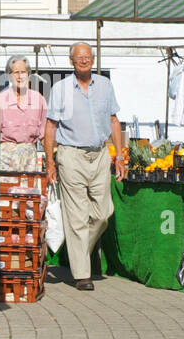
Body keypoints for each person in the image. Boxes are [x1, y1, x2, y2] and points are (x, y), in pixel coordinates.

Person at [43, 42, 126, 291]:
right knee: (77, 215)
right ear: (71, 61)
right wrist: (50, 162)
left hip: (99, 154)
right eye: (79, 57)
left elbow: (113, 120)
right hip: (70, 155)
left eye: (87, 57)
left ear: (92, 59)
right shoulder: (61, 89)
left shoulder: (105, 86)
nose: (84, 60)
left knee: (103, 214)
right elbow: (51, 126)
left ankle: (76, 251)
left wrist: (119, 155)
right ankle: (82, 275)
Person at [0, 55, 48, 172]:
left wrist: (50, 161)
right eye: (16, 72)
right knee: (3, 190)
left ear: (28, 74)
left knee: (28, 190)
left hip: (29, 160)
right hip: (4, 160)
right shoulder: (1, 99)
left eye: (23, 72)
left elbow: (45, 134)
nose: (20, 76)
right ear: (9, 76)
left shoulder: (39, 99)